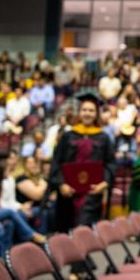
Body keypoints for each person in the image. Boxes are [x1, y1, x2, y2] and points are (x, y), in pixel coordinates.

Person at [49, 93, 115, 232]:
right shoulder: (68, 136)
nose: (87, 114)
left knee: (84, 231)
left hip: (91, 193)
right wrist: (61, 184)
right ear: (79, 112)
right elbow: (57, 162)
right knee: (66, 231)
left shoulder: (104, 137)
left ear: (96, 114)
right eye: (84, 110)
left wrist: (105, 183)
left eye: (91, 111)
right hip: (68, 193)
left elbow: (110, 164)